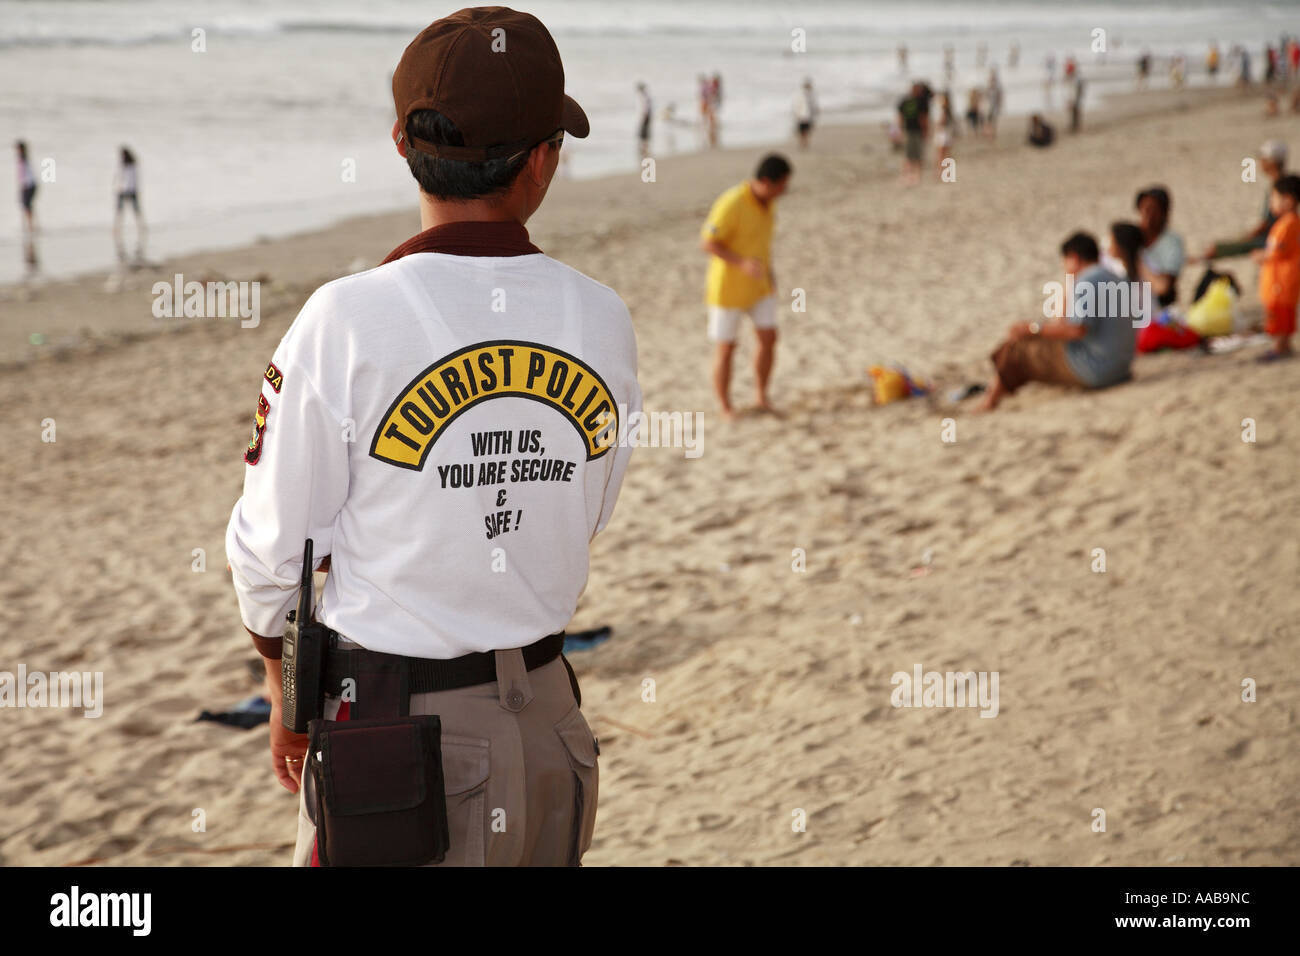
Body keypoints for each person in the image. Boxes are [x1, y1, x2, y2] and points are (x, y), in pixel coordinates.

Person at [226, 6, 641, 868]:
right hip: (551, 732)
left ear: (400, 143)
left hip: (397, 739)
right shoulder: (599, 318)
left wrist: (278, 679)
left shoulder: (347, 317)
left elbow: (274, 550)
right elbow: (586, 508)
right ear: (541, 162)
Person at [978, 231, 1136, 411]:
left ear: (1073, 258)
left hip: (1098, 370)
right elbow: (1063, 323)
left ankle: (989, 401)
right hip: (1122, 368)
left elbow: (1076, 330)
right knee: (1030, 340)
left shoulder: (1087, 281)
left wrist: (1032, 329)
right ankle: (997, 392)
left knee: (1016, 349)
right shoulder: (1114, 276)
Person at [699, 153, 791, 419]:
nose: (784, 192)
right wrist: (741, 263)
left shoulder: (768, 202)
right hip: (727, 289)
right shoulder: (732, 203)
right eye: (781, 186)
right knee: (726, 348)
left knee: (769, 338)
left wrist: (770, 275)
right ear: (765, 181)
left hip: (760, 287)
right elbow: (707, 242)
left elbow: (762, 244)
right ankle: (726, 407)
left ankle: (762, 396)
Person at [1201, 140, 1287, 261]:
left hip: (1271, 238)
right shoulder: (1280, 184)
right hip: (1272, 236)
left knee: (1216, 248)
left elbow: (1269, 222)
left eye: (1263, 159)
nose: (1260, 162)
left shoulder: (1280, 187)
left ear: (1272, 161)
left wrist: (1248, 237)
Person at [1251, 173, 1300, 359]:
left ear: (1288, 200)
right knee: (1286, 313)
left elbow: (1277, 251)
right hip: (1287, 280)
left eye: (1274, 198)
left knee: (1278, 314)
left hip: (1280, 280)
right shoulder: (1291, 223)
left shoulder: (1287, 224)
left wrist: (1261, 256)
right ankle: (1285, 345)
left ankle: (1280, 347)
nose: (1271, 203)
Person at [1135, 185, 1184, 307]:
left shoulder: (1172, 243)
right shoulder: (1131, 236)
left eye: (1153, 210)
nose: (1148, 214)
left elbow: (1164, 286)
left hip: (1158, 305)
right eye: (1145, 209)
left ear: (1164, 213)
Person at [113, 146, 146, 263]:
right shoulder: (126, 165)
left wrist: (122, 188)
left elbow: (130, 179)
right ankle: (118, 227)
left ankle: (139, 226)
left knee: (132, 210)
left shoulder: (130, 166)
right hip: (125, 190)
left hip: (128, 190)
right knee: (123, 211)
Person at [898, 81, 930, 185]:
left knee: (912, 155)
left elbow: (900, 116)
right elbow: (923, 118)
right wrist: (926, 131)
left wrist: (900, 129)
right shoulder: (920, 101)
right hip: (913, 131)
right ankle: (913, 176)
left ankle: (911, 176)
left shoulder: (907, 100)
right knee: (914, 155)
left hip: (913, 131)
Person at [15, 140, 36, 234]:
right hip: (31, 184)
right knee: (27, 206)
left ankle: (29, 227)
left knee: (26, 206)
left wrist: (22, 186)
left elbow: (22, 174)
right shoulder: (24, 158)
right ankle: (30, 226)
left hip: (28, 185)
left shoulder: (22, 159)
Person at [793, 78, 817, 149]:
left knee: (806, 131)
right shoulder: (800, 94)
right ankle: (803, 143)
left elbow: (813, 105)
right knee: (802, 131)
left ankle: (805, 143)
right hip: (802, 116)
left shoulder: (811, 95)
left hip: (808, 116)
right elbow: (797, 105)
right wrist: (797, 113)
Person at [934, 91, 954, 174]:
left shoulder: (944, 110)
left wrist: (937, 125)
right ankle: (947, 172)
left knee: (941, 155)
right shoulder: (947, 110)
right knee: (945, 154)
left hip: (942, 134)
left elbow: (942, 122)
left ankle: (942, 172)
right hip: (946, 133)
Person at [984, 67, 1003, 139]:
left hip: (994, 106)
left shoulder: (996, 87)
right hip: (989, 106)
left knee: (993, 121)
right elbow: (986, 96)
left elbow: (999, 97)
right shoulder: (989, 87)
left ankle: (992, 134)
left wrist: (999, 105)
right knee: (989, 121)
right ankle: (989, 134)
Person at [636, 82, 652, 159]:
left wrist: (643, 117)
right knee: (644, 133)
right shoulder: (646, 95)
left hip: (646, 116)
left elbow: (645, 107)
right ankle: (645, 148)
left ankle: (644, 149)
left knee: (644, 133)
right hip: (647, 116)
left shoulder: (643, 96)